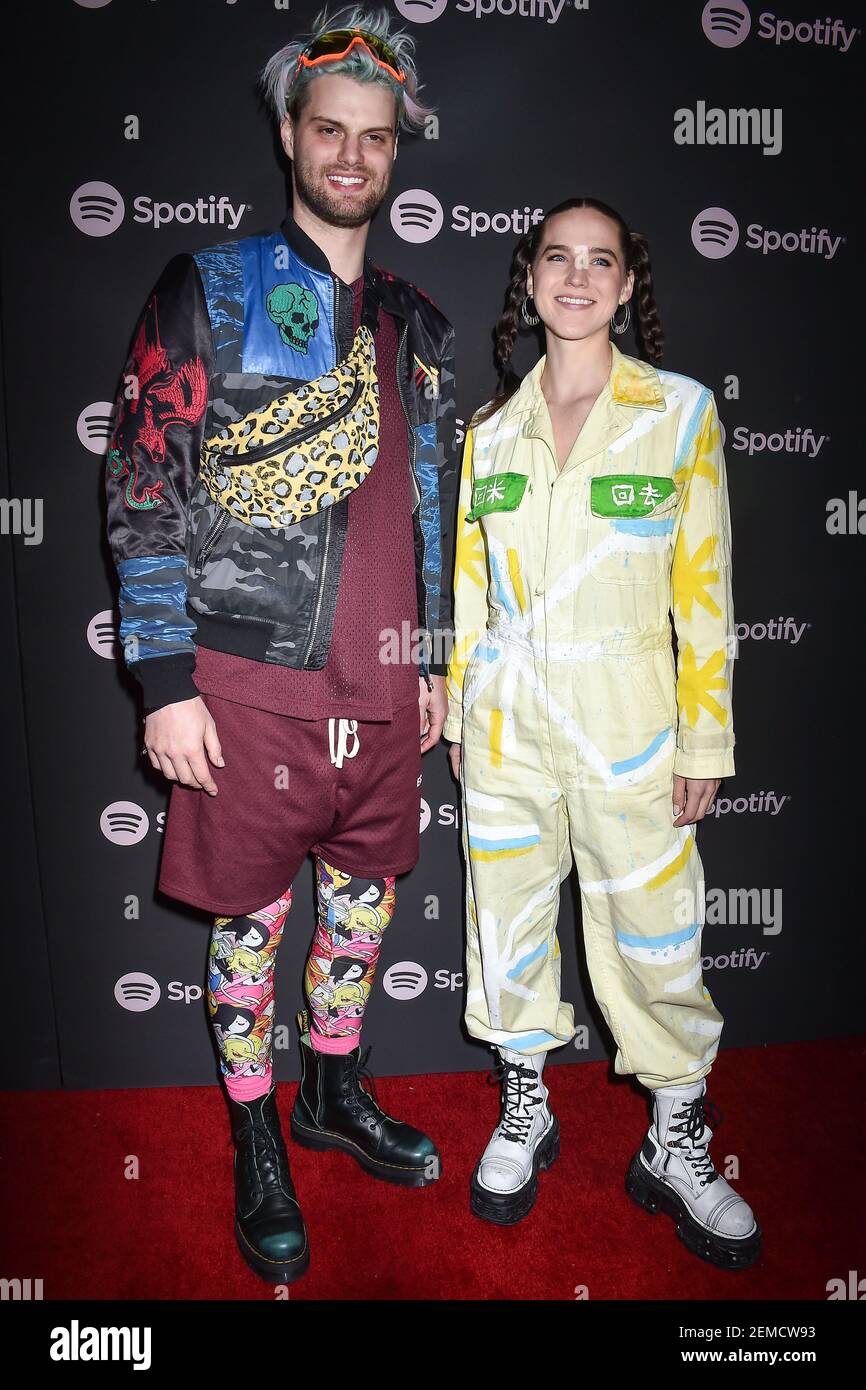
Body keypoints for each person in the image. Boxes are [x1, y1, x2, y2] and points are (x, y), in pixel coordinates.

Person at [105, 5, 457, 1285]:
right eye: (330, 132)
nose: (352, 155)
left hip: (383, 691)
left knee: (359, 919)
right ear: (289, 136)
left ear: (394, 153)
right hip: (248, 686)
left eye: (374, 136)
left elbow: (433, 508)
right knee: (250, 926)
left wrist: (433, 663)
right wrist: (164, 680)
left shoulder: (416, 322)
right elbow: (147, 477)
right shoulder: (214, 286)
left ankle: (331, 1091)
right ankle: (258, 1132)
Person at [443, 197, 761, 1270]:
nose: (575, 277)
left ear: (627, 285)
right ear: (527, 279)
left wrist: (704, 741)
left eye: (599, 261)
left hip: (631, 734)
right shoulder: (487, 432)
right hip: (504, 739)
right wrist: (459, 702)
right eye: (555, 259)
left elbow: (703, 596)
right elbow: (470, 590)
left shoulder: (676, 413)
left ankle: (675, 1141)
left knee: (657, 941)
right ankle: (525, 1105)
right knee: (508, 928)